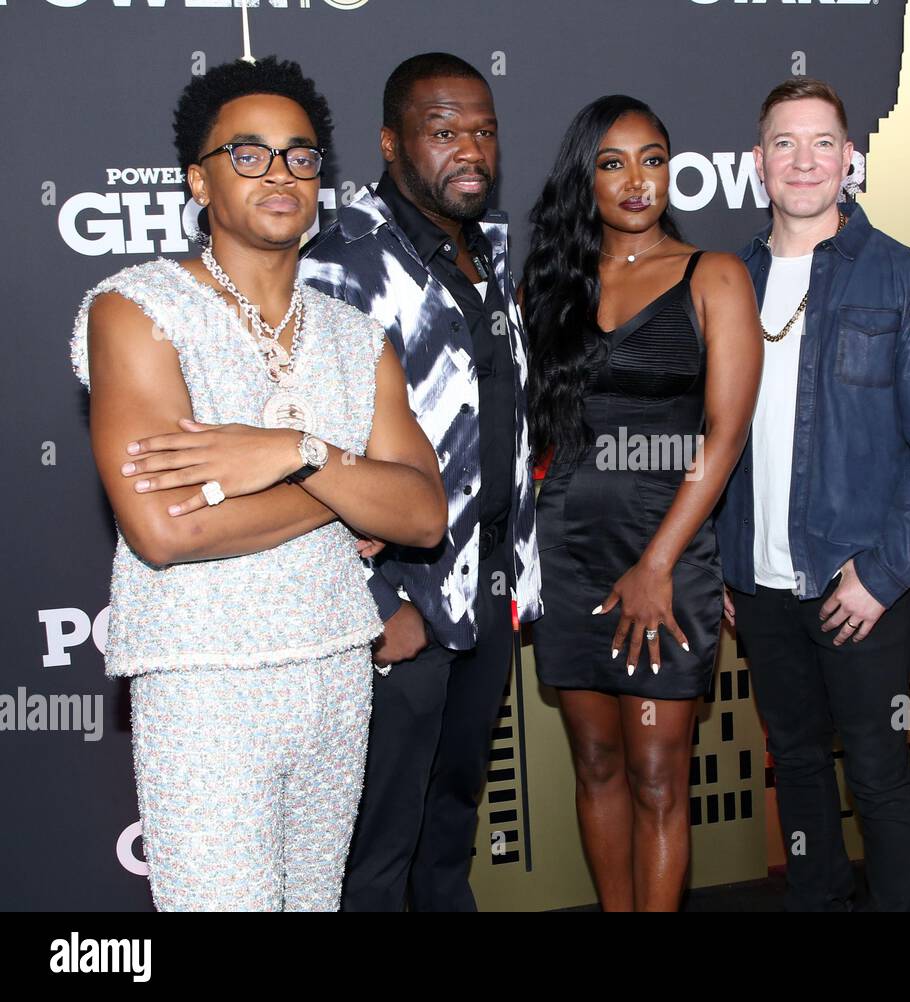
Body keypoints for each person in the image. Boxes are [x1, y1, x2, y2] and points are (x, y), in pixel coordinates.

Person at [69, 56, 447, 911]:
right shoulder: (138, 309)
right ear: (198, 181)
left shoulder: (356, 336)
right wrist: (345, 485)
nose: (280, 173)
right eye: (249, 154)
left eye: (300, 155)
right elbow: (167, 530)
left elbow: (423, 514)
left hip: (339, 672)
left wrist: (295, 451)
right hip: (205, 685)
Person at [299, 52, 541, 912]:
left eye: (482, 130)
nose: (468, 150)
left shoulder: (486, 251)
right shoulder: (342, 263)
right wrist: (371, 600)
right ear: (392, 143)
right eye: (443, 132)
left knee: (447, 833)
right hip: (402, 601)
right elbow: (305, 456)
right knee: (375, 851)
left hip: (485, 594)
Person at [715, 78, 910, 912]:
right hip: (759, 584)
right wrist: (727, 560)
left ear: (851, 160)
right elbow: (714, 437)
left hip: (859, 581)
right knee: (797, 763)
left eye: (822, 142)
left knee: (882, 776)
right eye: (785, 142)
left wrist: (884, 576)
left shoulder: (905, 279)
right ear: (758, 163)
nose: (804, 160)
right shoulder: (726, 280)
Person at [524, 95, 761, 911]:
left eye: (653, 159)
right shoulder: (552, 285)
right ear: (584, 176)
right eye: (613, 162)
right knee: (595, 764)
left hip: (665, 554)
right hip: (571, 551)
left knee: (659, 777)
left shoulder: (715, 275)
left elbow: (725, 437)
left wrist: (658, 564)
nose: (636, 181)